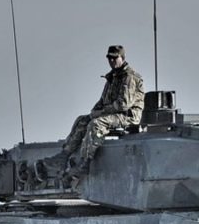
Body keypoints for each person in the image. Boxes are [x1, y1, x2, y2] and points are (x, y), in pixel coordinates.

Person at [36, 45, 145, 185]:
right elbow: (103, 101)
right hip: (113, 114)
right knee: (83, 120)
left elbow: (123, 104)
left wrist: (99, 113)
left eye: (114, 58)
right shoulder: (113, 77)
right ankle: (64, 155)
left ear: (122, 58)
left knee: (97, 124)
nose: (111, 61)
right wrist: (93, 112)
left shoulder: (129, 77)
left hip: (128, 116)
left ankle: (85, 162)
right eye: (109, 58)